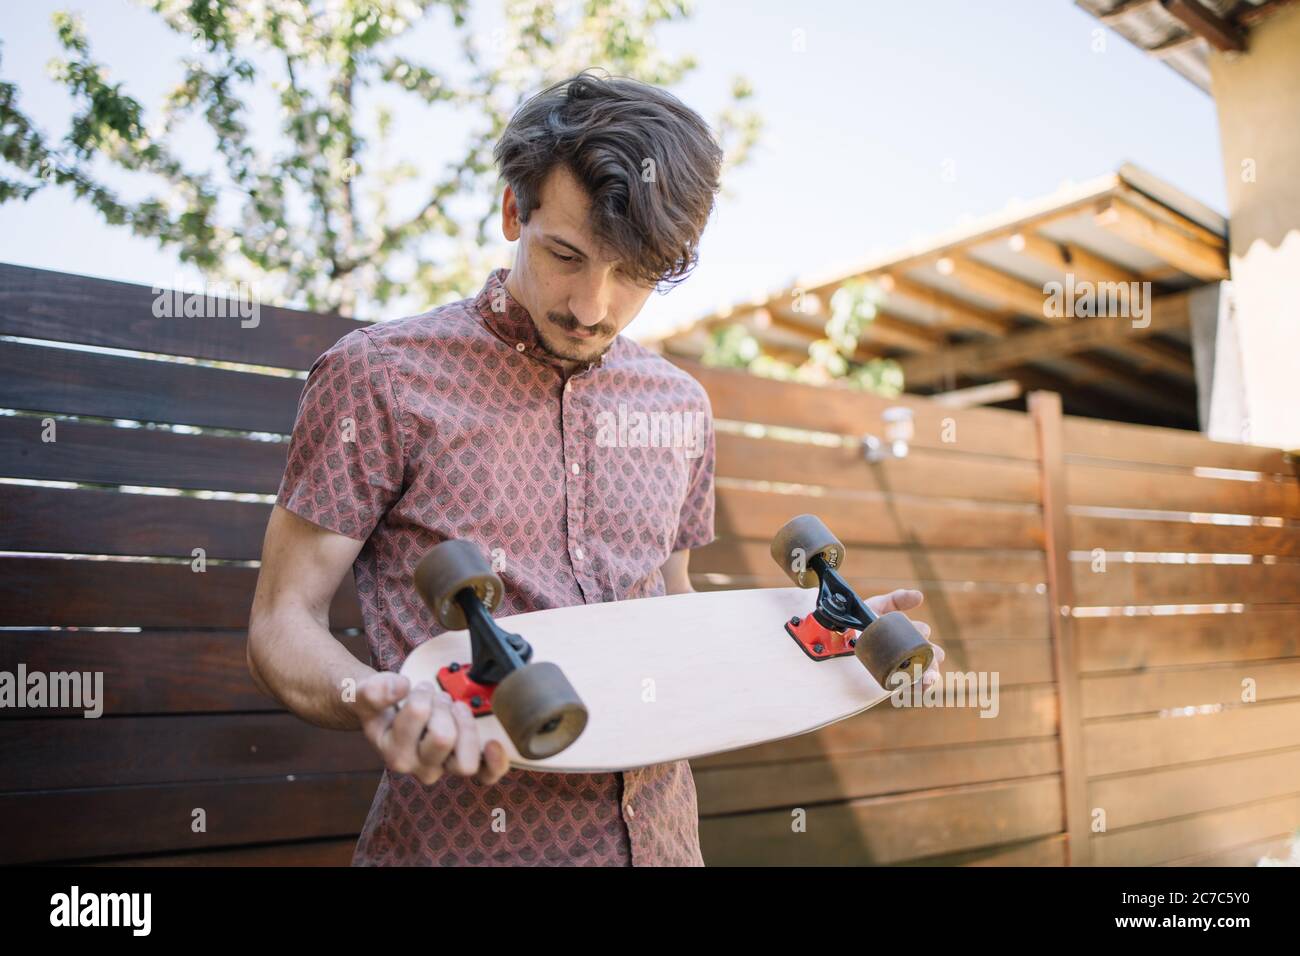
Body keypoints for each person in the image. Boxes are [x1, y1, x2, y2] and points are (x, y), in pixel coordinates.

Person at [247, 68, 942, 866]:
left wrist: (824, 637)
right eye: (566, 255)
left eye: (635, 275)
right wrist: (377, 696)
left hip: (666, 843)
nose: (591, 307)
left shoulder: (680, 406)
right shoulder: (381, 377)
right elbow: (280, 625)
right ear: (515, 209)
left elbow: (674, 614)